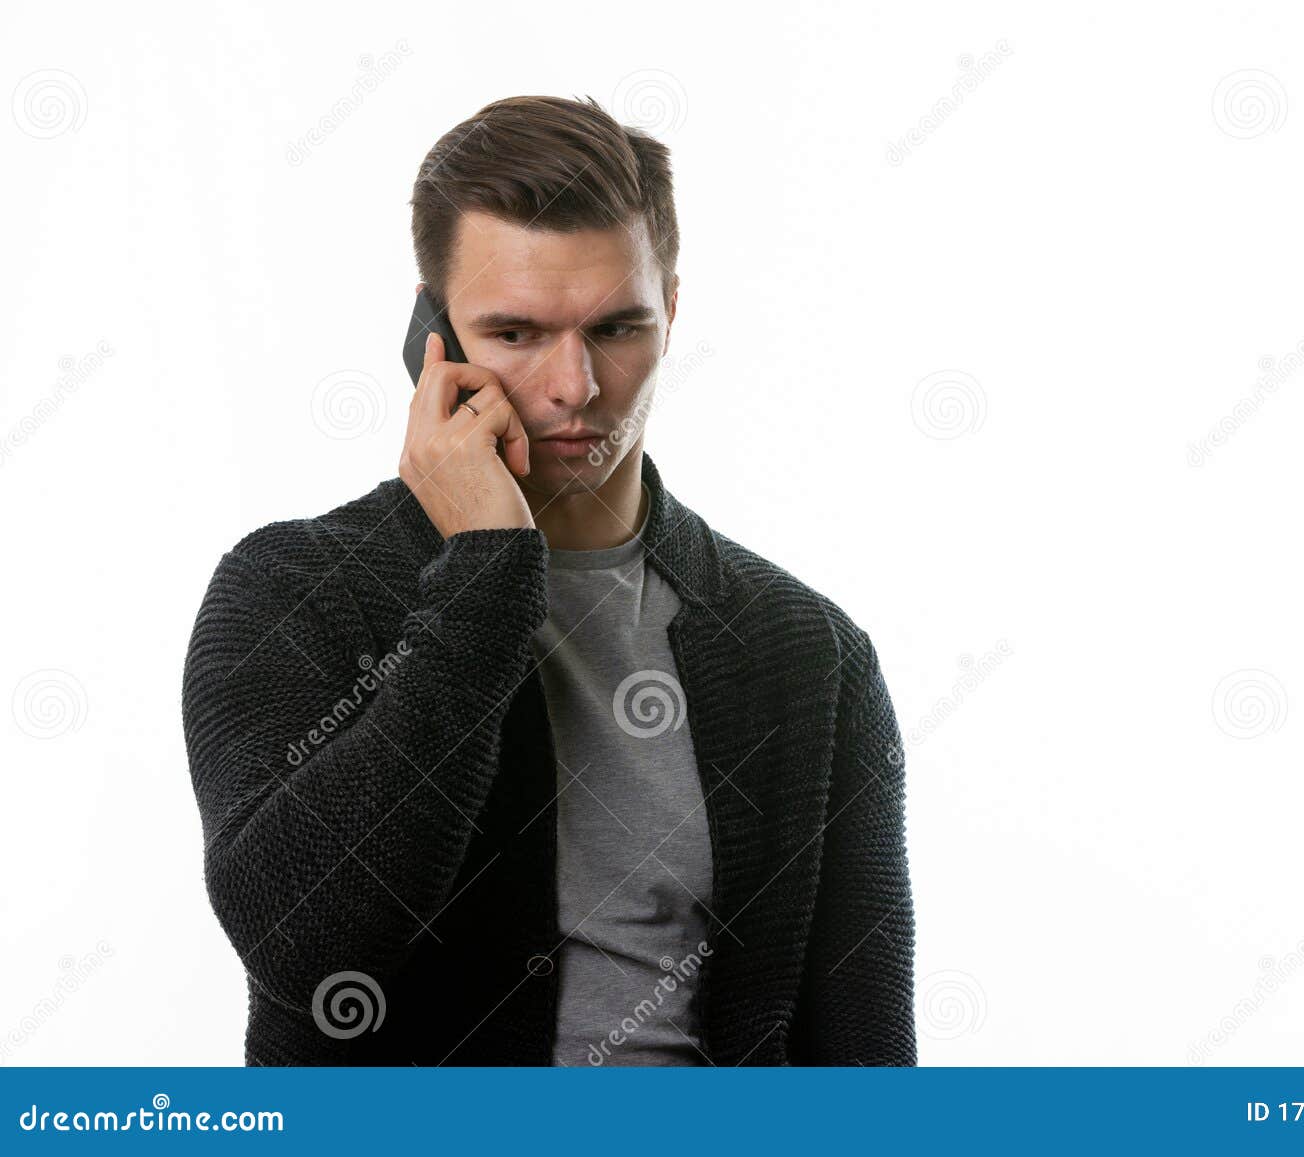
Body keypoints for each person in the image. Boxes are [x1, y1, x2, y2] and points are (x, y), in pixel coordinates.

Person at [180, 95, 916, 1066]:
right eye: (517, 334)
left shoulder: (807, 649)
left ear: (672, 313)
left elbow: (865, 1059)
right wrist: (484, 571)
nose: (575, 386)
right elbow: (306, 950)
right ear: (434, 336)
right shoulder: (294, 590)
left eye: (616, 327)